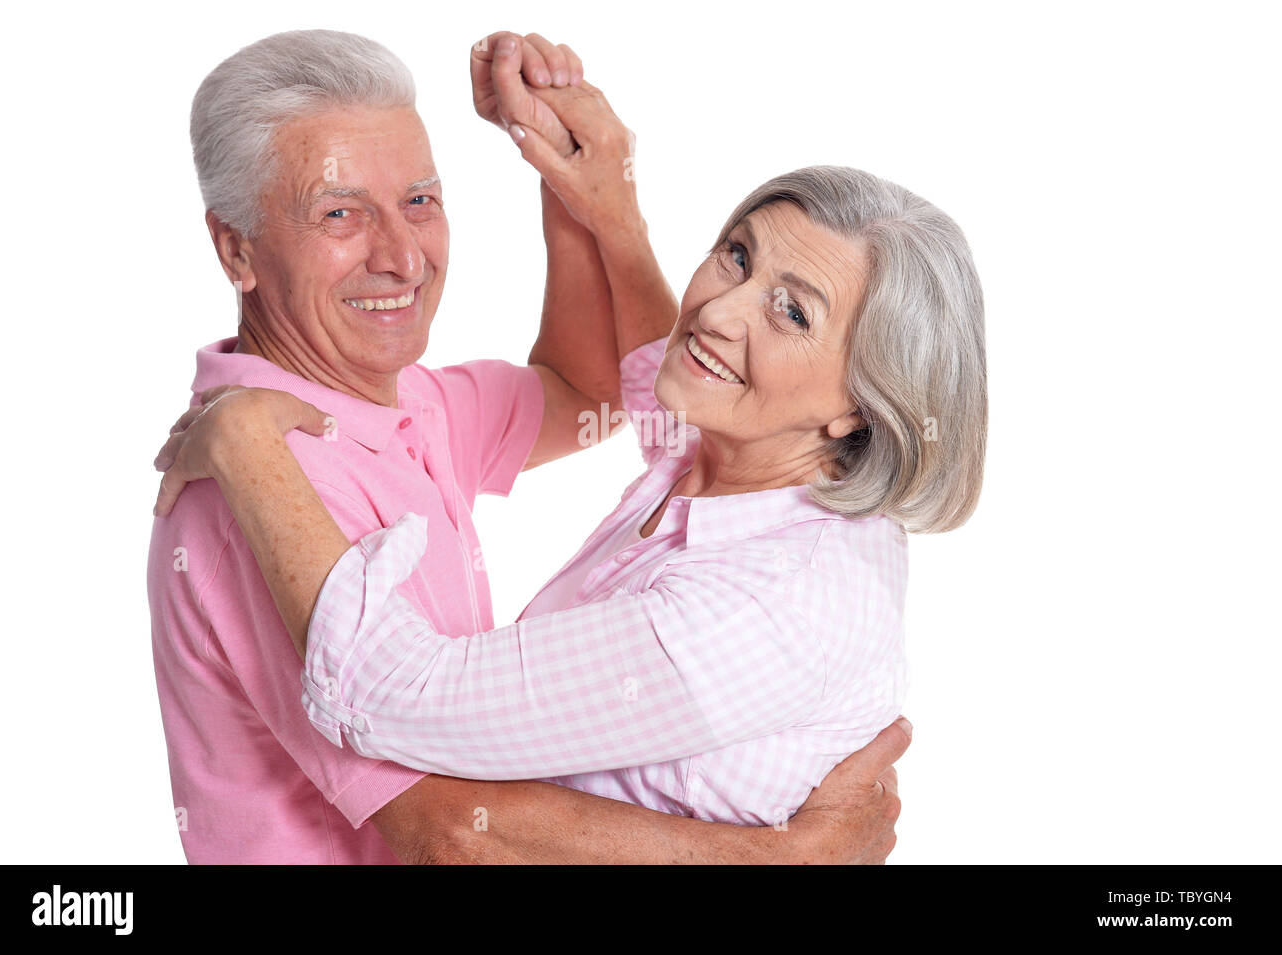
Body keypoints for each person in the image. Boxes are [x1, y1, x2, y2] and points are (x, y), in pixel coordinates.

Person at [149, 28, 908, 864]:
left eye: (419, 200)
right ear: (237, 248)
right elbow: (446, 832)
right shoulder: (260, 494)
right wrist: (783, 860)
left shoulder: (408, 404)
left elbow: (587, 389)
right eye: (339, 213)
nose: (402, 256)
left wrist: (576, 188)